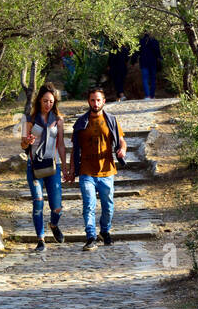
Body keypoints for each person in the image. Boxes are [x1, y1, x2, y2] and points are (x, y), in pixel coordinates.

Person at [67, 86, 127, 251]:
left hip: (107, 171)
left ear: (104, 101)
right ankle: (91, 236)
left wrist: (123, 150)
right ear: (88, 101)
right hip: (87, 171)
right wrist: (72, 170)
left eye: (98, 100)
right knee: (89, 205)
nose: (95, 103)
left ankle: (105, 231)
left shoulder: (112, 120)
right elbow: (74, 149)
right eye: (92, 100)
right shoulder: (80, 123)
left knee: (108, 206)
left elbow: (122, 141)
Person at [21, 82, 66, 254]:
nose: (48, 104)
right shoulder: (30, 120)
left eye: (51, 102)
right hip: (35, 166)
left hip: (52, 166)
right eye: (45, 101)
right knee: (38, 202)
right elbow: (23, 144)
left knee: (57, 207)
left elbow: (61, 144)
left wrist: (66, 165)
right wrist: (27, 141)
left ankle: (53, 224)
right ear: (39, 100)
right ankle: (40, 239)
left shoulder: (58, 121)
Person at [138, 32, 162, 99]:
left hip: (144, 63)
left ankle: (147, 95)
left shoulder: (141, 41)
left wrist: (133, 61)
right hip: (153, 63)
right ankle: (152, 95)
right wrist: (160, 58)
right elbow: (158, 52)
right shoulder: (155, 41)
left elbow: (137, 52)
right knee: (153, 79)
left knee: (145, 79)